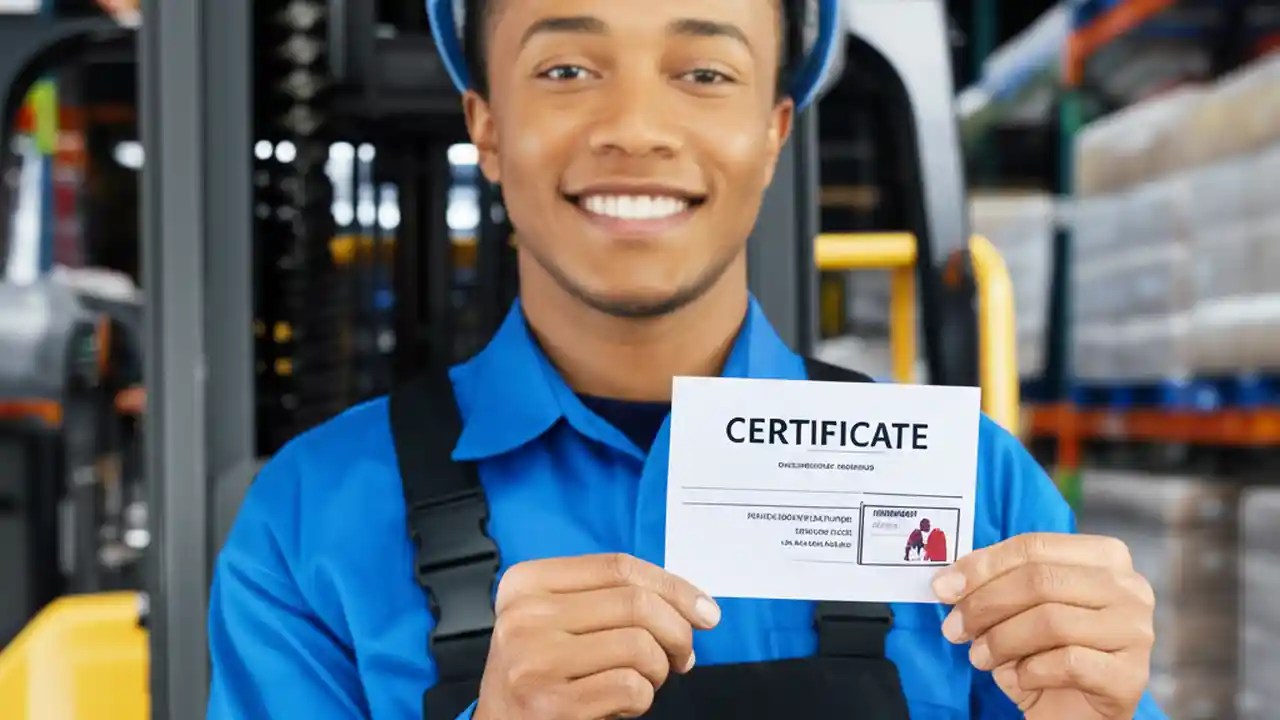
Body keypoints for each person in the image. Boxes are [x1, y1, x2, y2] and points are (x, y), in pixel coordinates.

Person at [207, 0, 1167, 718]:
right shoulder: (309, 523)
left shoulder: (975, 493)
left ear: (774, 131)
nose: (634, 127)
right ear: (487, 125)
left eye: (704, 73)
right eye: (566, 71)